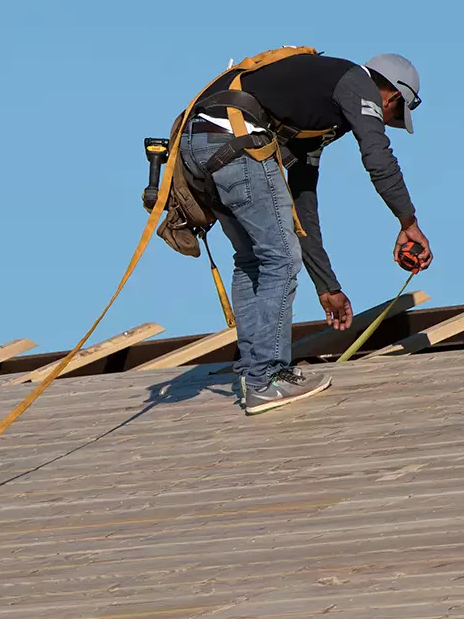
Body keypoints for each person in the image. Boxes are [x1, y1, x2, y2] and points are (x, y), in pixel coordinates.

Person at [178, 51, 432, 415]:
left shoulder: (308, 113)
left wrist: (326, 285)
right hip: (235, 139)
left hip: (198, 143)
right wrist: (408, 223)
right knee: (279, 259)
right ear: (390, 97)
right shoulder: (356, 83)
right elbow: (378, 157)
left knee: (254, 259)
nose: (381, 122)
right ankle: (267, 378)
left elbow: (302, 205)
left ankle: (254, 373)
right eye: (391, 115)